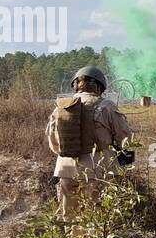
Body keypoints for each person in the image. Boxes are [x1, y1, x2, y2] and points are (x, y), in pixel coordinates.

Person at [44, 66, 134, 222]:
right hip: (96, 170)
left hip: (65, 170)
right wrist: (122, 157)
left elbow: (53, 143)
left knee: (70, 218)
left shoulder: (61, 107)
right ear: (99, 87)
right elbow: (125, 137)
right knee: (96, 219)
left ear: (75, 85)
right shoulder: (106, 105)